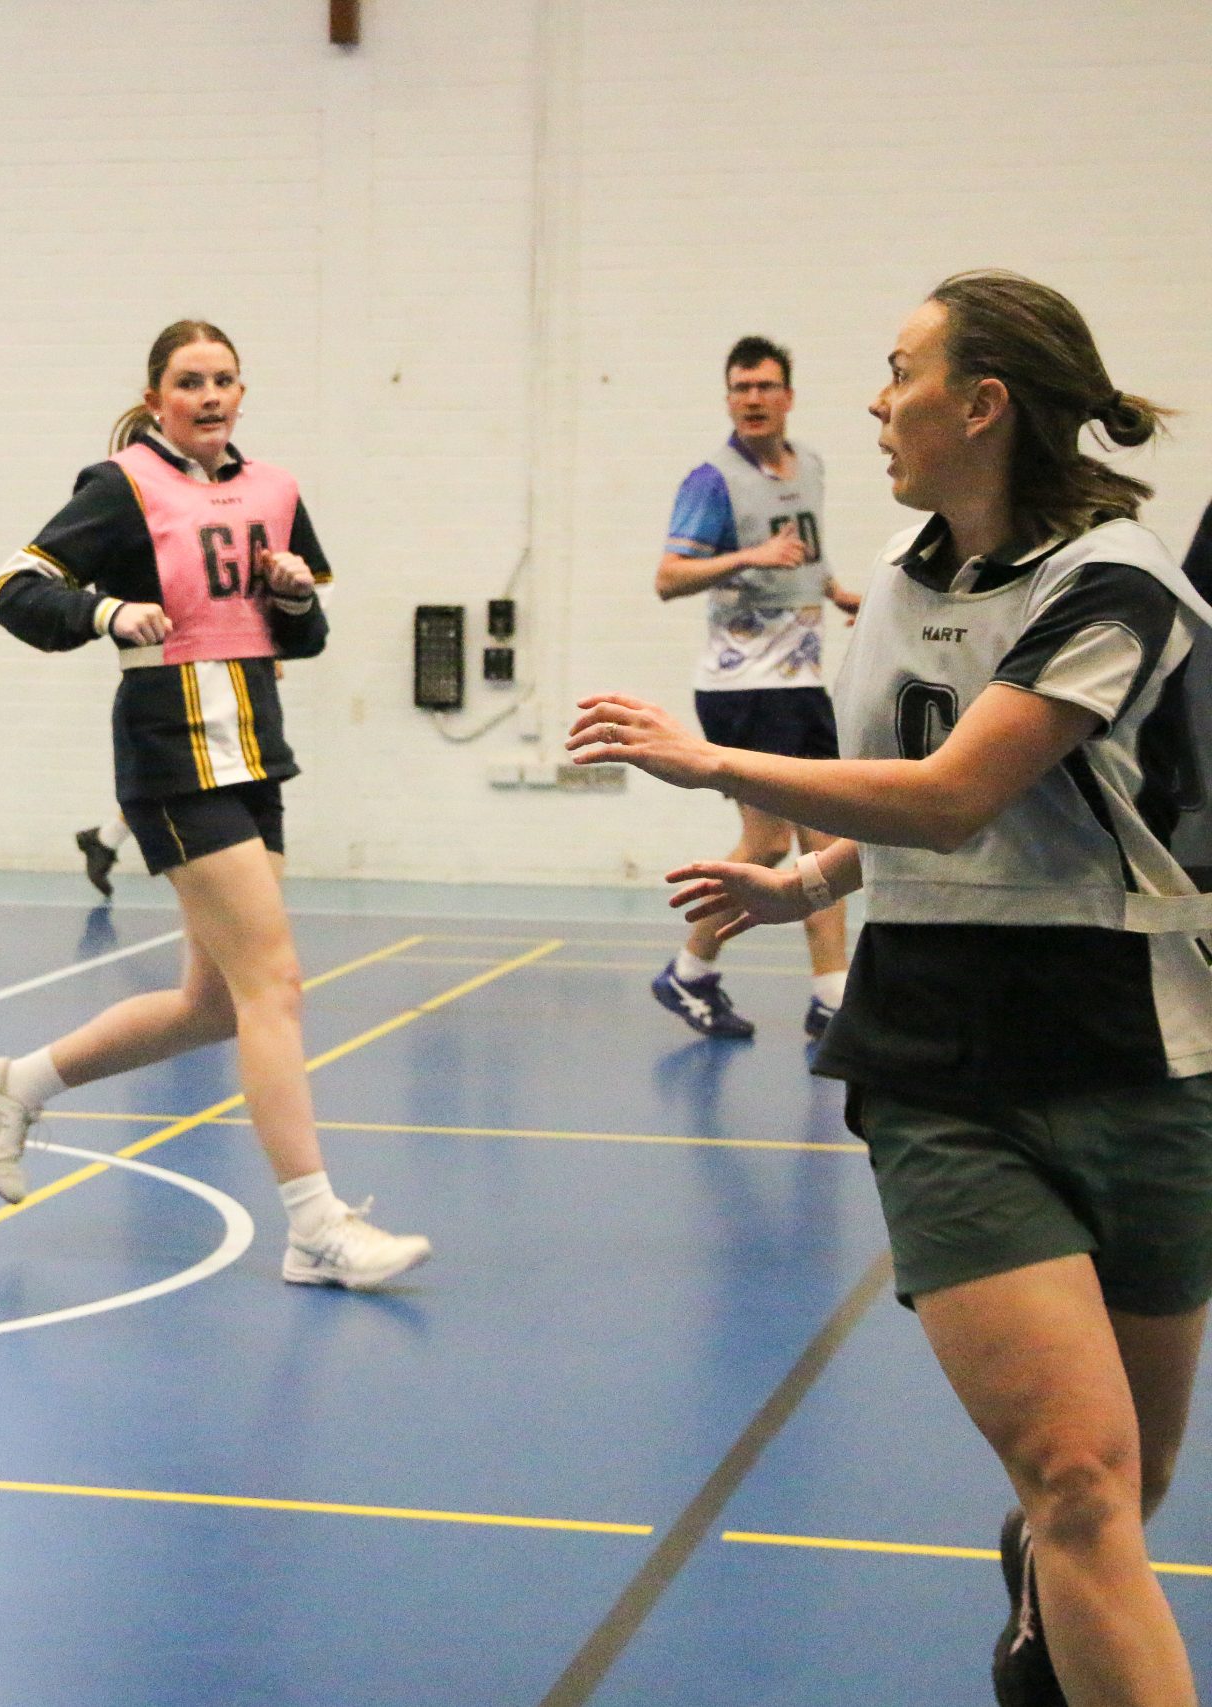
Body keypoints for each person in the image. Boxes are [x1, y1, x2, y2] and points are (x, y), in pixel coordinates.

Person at [572, 271, 1208, 1707]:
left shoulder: (1118, 581)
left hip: (1142, 1054)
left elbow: (959, 790)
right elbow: (914, 798)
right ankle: (1067, 1566)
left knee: (1128, 1481)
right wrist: (808, 882)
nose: (875, 397)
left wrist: (718, 761)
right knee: (1083, 1477)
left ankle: (1049, 1604)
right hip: (942, 1069)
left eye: (901, 368)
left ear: (982, 404)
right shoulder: (910, 579)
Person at [0, 319, 430, 1290]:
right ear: (157, 395)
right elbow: (15, 591)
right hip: (171, 756)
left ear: (241, 393)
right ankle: (313, 1225)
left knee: (212, 1005)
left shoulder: (271, 492)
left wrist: (295, 595)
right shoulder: (121, 488)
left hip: (255, 753)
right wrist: (105, 611)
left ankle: (14, 1086)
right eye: (189, 381)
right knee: (275, 984)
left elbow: (299, 639)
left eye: (223, 379)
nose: (209, 395)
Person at [651, 336, 866, 1042]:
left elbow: (809, 546)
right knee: (793, 839)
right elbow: (668, 577)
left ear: (788, 396)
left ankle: (799, 990)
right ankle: (714, 975)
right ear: (728, 398)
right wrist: (750, 556)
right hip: (744, 685)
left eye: (765, 386)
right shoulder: (710, 481)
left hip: (800, 679)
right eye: (740, 387)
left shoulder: (812, 468)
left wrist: (836, 592)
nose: (752, 398)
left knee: (805, 840)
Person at [75, 811, 130, 898]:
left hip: (103, 844)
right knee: (140, 804)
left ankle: (99, 840)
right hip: (101, 844)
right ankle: (98, 841)